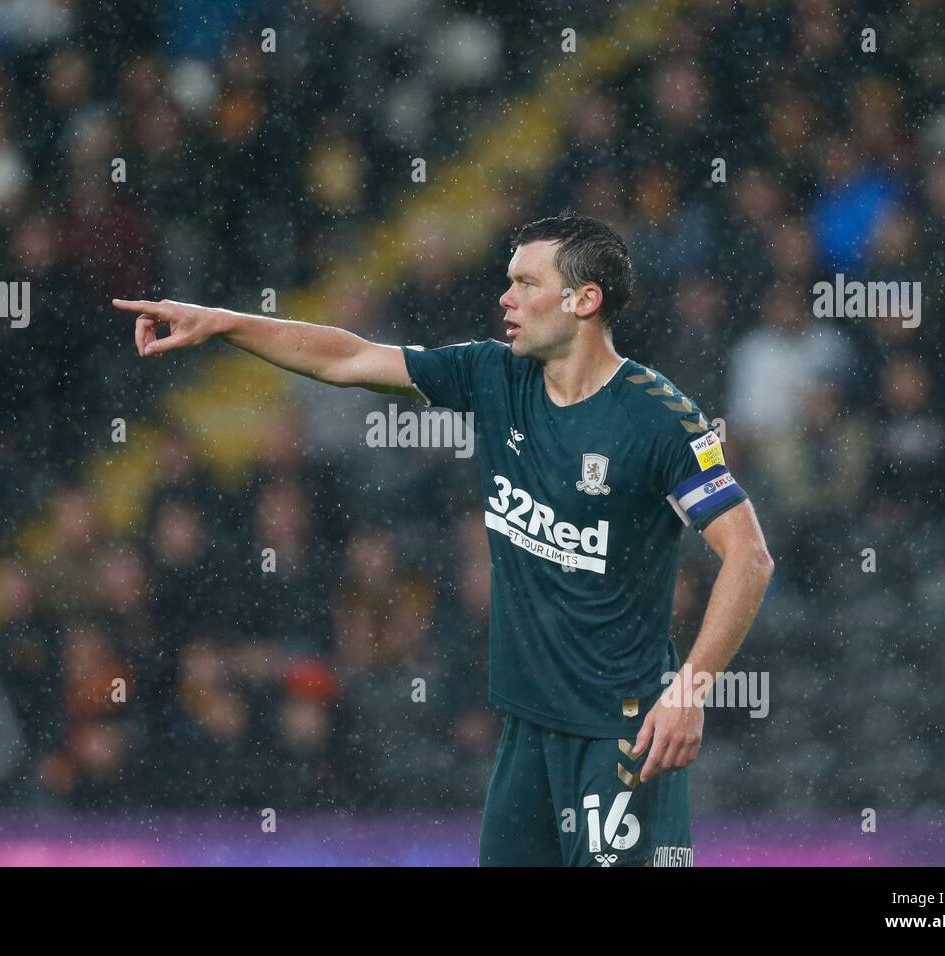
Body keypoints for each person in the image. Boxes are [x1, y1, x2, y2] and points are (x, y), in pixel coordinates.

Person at [113, 214, 774, 866]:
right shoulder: (495, 376)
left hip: (624, 733)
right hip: (528, 732)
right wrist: (223, 322)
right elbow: (349, 357)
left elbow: (748, 556)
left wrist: (688, 692)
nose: (504, 298)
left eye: (525, 283)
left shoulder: (659, 417)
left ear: (584, 300)